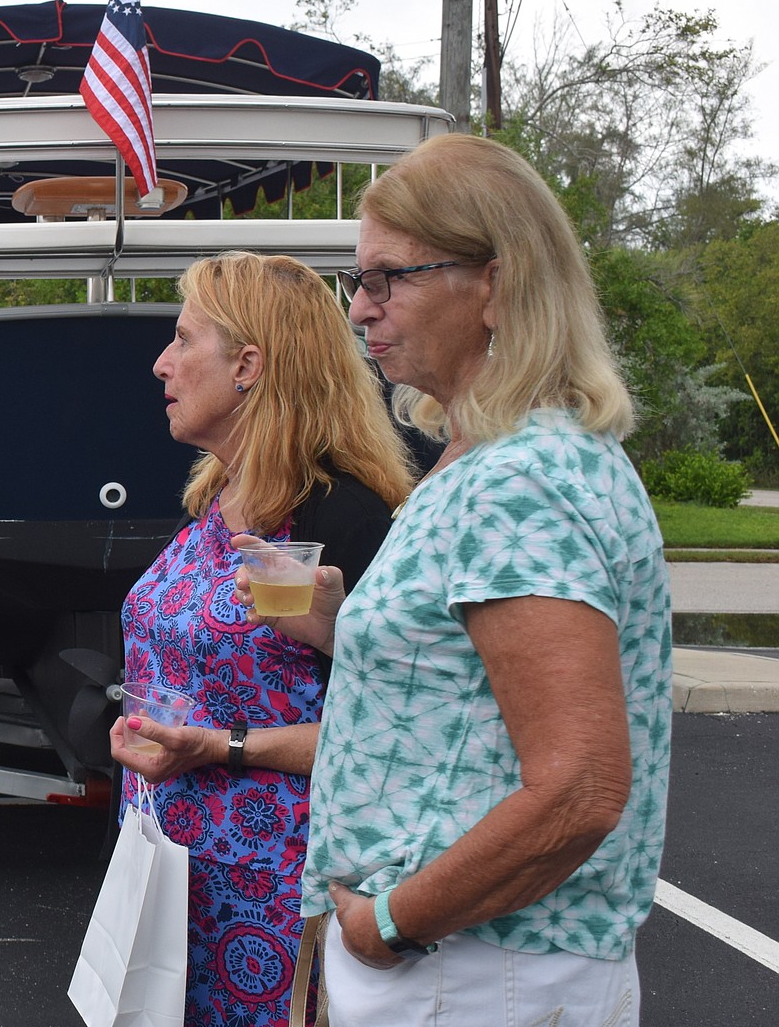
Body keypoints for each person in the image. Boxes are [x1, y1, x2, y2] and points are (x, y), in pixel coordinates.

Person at [264, 133, 672, 1026]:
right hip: (464, 962)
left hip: (479, 968)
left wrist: (388, 927)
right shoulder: (483, 458)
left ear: (496, 282)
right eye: (356, 281)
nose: (361, 309)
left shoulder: (521, 477)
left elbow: (580, 788)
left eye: (388, 278)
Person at [107, 251, 415, 1027]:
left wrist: (222, 745)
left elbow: (396, 733)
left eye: (182, 339)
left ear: (248, 364)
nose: (160, 363)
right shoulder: (215, 495)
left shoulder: (342, 518)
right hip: (175, 876)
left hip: (279, 901)